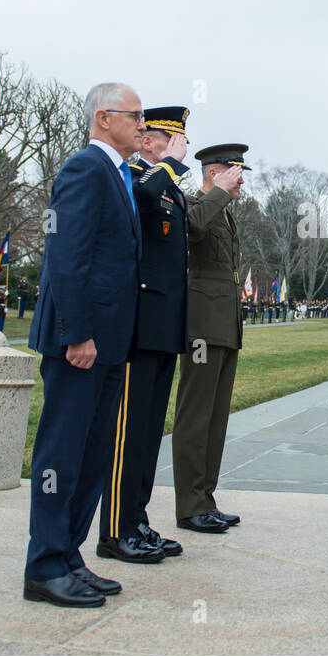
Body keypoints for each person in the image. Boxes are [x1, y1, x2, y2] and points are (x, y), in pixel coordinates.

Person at [23, 82, 145, 608]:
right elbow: (66, 259)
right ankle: (44, 566)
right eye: (135, 115)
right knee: (62, 455)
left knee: (93, 457)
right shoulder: (84, 168)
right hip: (82, 342)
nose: (143, 124)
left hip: (110, 344)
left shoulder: (118, 174)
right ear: (103, 118)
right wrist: (78, 334)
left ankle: (69, 557)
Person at [99, 106, 191, 564]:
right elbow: (135, 202)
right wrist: (167, 166)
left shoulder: (169, 188)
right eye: (169, 141)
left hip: (163, 328)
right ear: (148, 141)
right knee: (127, 433)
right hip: (137, 326)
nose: (179, 149)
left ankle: (136, 519)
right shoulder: (134, 176)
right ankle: (114, 529)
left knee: (150, 433)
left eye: (181, 143)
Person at [172, 143, 247, 534]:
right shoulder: (194, 203)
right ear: (214, 174)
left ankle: (205, 500)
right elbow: (193, 228)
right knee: (195, 417)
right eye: (235, 175)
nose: (241, 183)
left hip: (224, 327)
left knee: (215, 419)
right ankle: (189, 505)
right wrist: (219, 191)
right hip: (202, 327)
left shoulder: (226, 215)